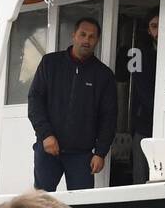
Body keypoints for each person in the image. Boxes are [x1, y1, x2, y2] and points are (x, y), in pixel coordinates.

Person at [28, 16, 118, 191]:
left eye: (92, 37)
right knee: (40, 205)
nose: (86, 40)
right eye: (83, 34)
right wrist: (46, 134)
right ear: (74, 36)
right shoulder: (50, 63)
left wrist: (100, 152)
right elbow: (35, 100)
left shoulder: (104, 75)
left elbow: (109, 117)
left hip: (81, 155)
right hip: (48, 149)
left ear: (97, 40)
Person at [128, 12, 159, 184]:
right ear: (148, 30)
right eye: (154, 26)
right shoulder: (138, 53)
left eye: (162, 25)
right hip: (144, 123)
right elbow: (141, 87)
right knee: (141, 174)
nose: (158, 31)